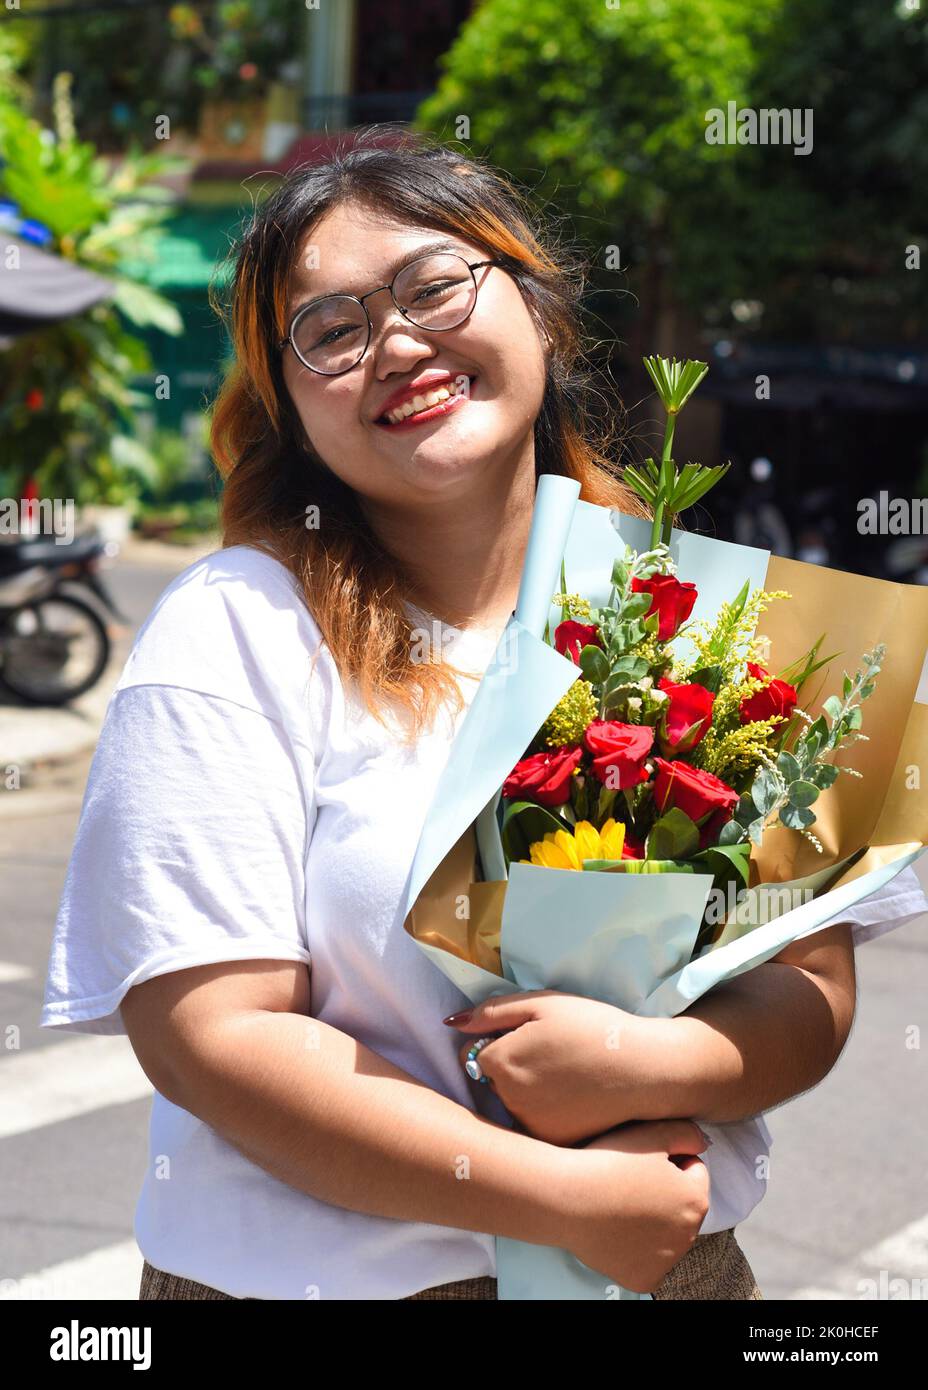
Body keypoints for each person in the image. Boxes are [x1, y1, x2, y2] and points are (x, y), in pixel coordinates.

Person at [40, 129, 928, 1301]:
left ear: (544, 315)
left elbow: (805, 990)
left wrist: (638, 1057)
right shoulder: (237, 625)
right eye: (331, 329)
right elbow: (214, 1036)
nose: (396, 341)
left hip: (668, 1273)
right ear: (290, 409)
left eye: (432, 284)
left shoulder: (712, 619)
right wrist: (549, 1195)